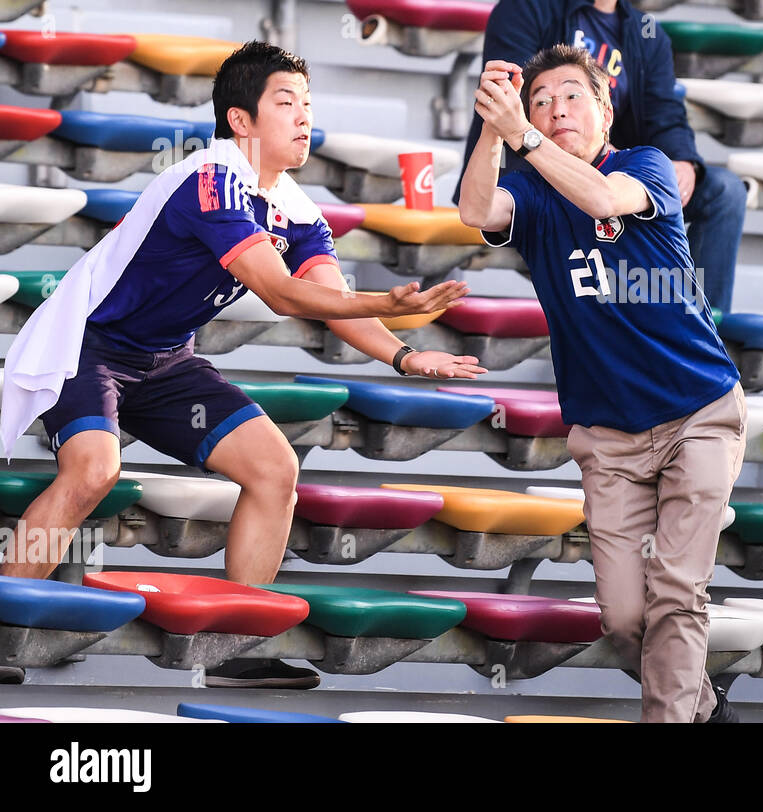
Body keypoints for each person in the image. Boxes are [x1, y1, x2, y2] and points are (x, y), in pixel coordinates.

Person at [0, 40, 485, 688]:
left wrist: (403, 352)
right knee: (94, 468)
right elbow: (283, 292)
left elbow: (331, 298)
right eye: (287, 102)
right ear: (240, 119)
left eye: (309, 104)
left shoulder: (300, 211)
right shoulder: (212, 178)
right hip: (87, 346)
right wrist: (383, 299)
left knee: (274, 467)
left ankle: (231, 648)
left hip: (167, 364)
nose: (304, 116)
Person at [459, 44, 746, 723]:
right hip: (608, 434)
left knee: (677, 592)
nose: (555, 109)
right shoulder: (530, 188)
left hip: (698, 411)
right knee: (622, 619)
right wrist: (490, 132)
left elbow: (600, 196)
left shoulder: (642, 164)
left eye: (570, 96)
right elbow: (475, 210)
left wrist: (522, 133)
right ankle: (705, 710)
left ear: (605, 109)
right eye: (539, 100)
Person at [453, 0, 747, 313]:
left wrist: (682, 160)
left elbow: (665, 111)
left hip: (611, 172)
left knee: (723, 191)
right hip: (535, 173)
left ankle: (704, 326)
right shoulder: (529, 3)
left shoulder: (647, 33)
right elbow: (508, 95)